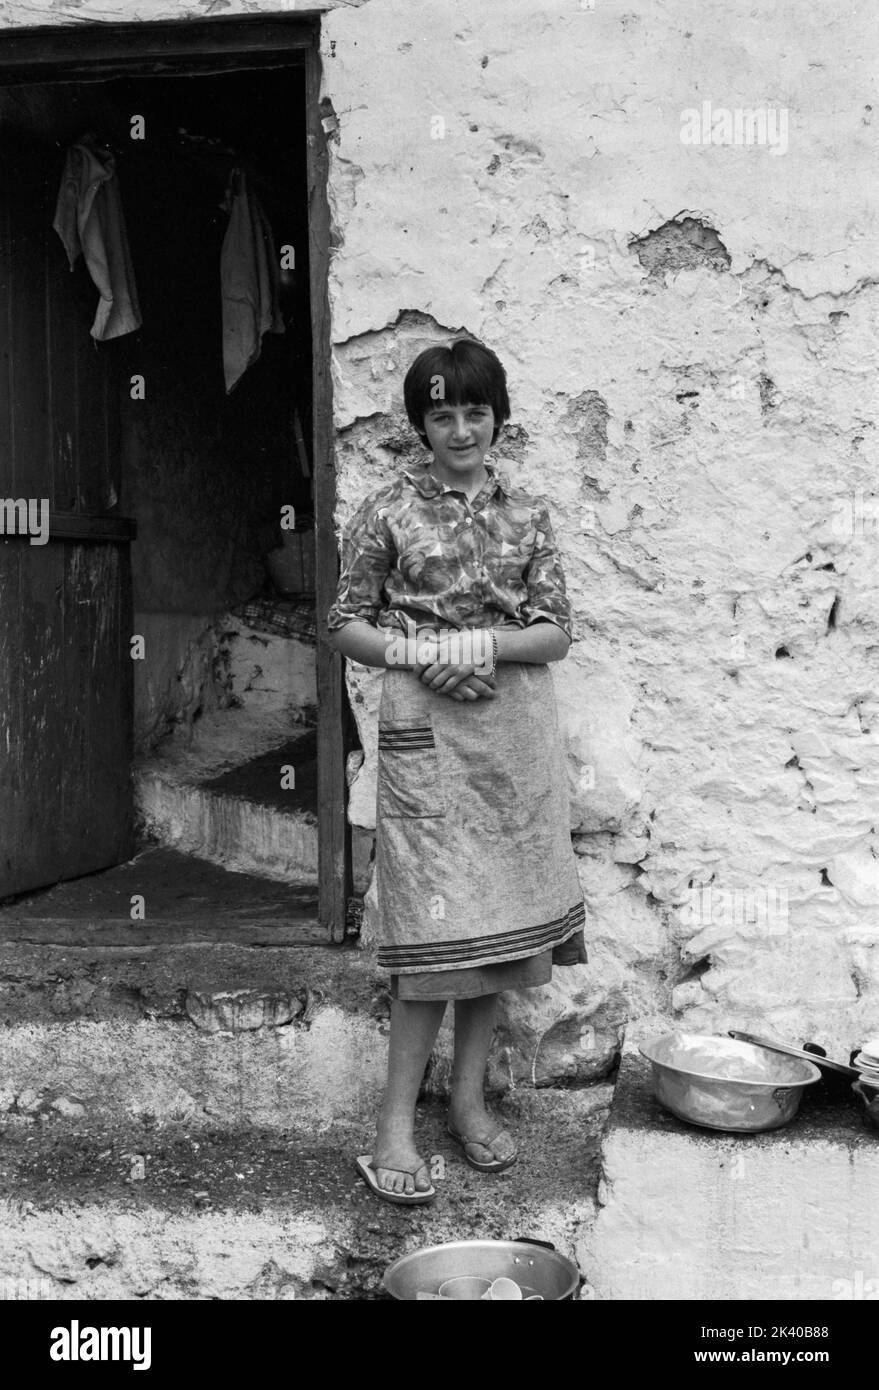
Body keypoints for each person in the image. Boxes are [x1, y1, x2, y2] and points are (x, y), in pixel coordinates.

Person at [326, 337, 587, 1205]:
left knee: (503, 928)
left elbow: (553, 632)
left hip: (510, 734)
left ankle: (469, 1101)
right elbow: (345, 623)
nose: (461, 428)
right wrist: (419, 652)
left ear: (497, 418)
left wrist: (479, 646)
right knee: (435, 940)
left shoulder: (529, 515)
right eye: (443, 415)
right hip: (425, 732)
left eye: (476, 412)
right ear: (420, 425)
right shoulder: (388, 510)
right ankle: (394, 1126)